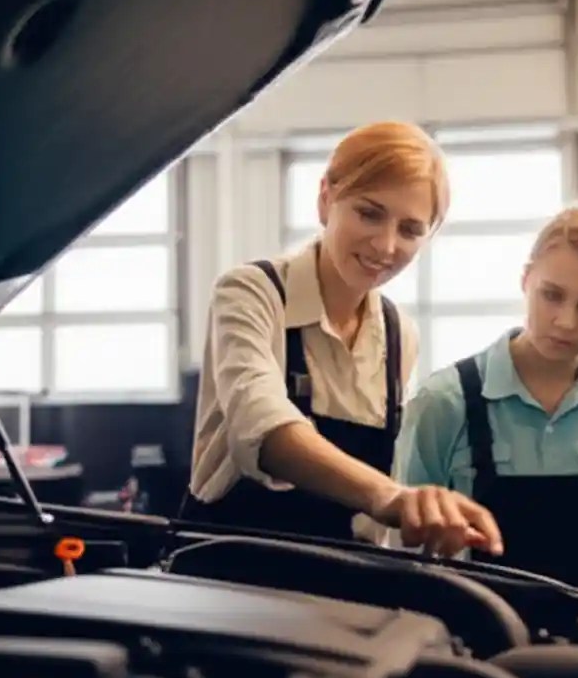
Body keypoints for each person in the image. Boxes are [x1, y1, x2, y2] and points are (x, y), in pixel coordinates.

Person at [182, 120, 503, 559]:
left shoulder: (398, 334)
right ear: (326, 197)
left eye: (410, 229)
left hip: (340, 582)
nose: (386, 245)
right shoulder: (252, 293)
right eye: (369, 213)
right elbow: (261, 428)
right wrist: (388, 496)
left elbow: (371, 509)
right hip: (229, 567)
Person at [392, 207, 578, 593]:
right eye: (552, 295)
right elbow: (408, 554)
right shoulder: (443, 403)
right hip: (484, 637)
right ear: (525, 280)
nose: (567, 321)